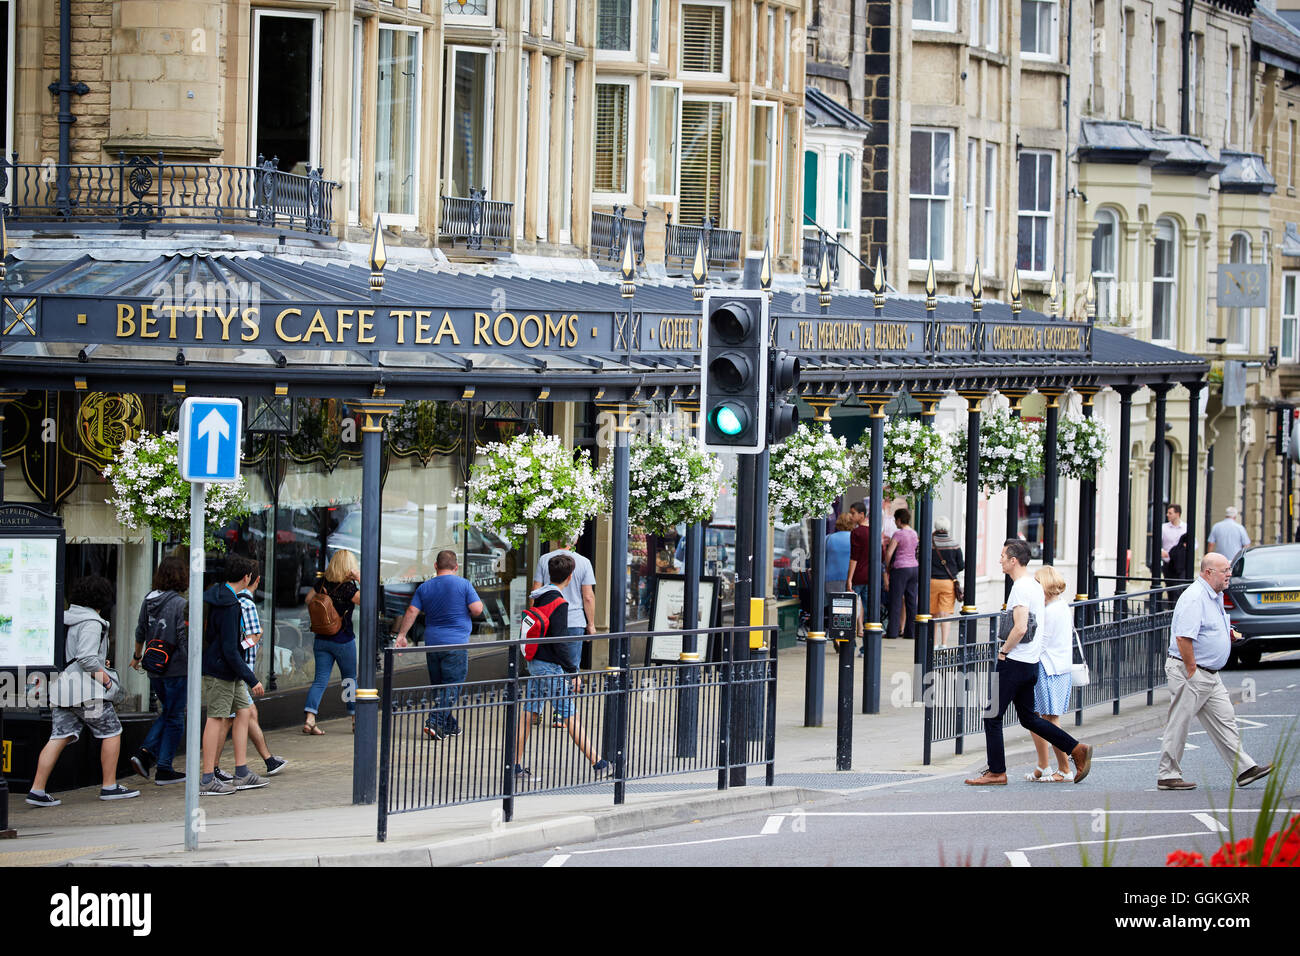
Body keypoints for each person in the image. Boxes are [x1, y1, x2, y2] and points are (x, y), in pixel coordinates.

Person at [964, 539, 1094, 786]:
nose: (1000, 559)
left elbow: (1022, 627)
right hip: (1031, 664)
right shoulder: (1034, 586)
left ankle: (997, 772)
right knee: (1030, 719)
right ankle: (1076, 749)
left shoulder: (1021, 588)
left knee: (992, 716)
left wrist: (1004, 651)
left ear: (1014, 560)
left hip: (1015, 662)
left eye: (1003, 556)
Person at [1156, 553, 1272, 791]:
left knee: (1225, 719)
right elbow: (1183, 637)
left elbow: (1206, 628)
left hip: (1209, 673)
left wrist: (1226, 635)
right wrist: (1191, 669)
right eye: (1225, 570)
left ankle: (1244, 769)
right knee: (1180, 723)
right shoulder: (1195, 598)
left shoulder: (1215, 595)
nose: (1229, 573)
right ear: (1209, 572)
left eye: (1229, 569)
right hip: (1192, 670)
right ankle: (1167, 775)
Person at [26, 576, 139, 806]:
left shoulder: (67, 618)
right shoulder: (92, 622)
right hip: (85, 691)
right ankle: (109, 786)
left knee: (59, 735)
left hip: (61, 688)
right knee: (112, 731)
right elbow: (87, 658)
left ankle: (37, 790)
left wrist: (98, 662)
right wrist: (106, 681)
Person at [513, 553, 612, 781]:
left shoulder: (540, 596)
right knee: (569, 715)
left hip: (535, 663)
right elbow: (559, 642)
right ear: (569, 577)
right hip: (549, 668)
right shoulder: (559, 603)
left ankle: (515, 767)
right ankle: (599, 764)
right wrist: (572, 671)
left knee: (528, 715)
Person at [393, 549, 484, 740]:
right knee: (452, 686)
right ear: (456, 567)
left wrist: (402, 635)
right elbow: (477, 609)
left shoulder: (424, 587)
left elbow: (411, 611)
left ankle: (449, 726)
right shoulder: (464, 584)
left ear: (436, 566)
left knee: (440, 687)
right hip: (456, 645)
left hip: (432, 644)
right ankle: (434, 721)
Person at [199, 556, 268, 795]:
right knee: (216, 718)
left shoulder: (217, 594)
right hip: (221, 670)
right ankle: (207, 778)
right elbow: (229, 648)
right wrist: (252, 678)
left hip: (224, 668)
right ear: (247, 577)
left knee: (244, 711)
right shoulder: (231, 605)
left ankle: (241, 772)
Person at [211, 570, 287, 778]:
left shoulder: (227, 600)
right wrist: (257, 637)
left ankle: (266, 760)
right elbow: (247, 641)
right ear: (255, 580)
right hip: (239, 670)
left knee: (245, 713)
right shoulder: (246, 604)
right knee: (229, 717)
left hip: (234, 670)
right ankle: (216, 769)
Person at [128, 554, 190, 785]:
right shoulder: (179, 604)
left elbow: (140, 630)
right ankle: (154, 761)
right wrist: (194, 665)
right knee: (174, 717)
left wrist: (136, 656)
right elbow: (182, 639)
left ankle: (156, 761)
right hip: (175, 668)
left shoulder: (148, 599)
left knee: (168, 712)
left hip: (154, 667)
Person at [1025, 566, 1075, 783]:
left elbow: (1040, 643)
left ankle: (1064, 769)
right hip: (1059, 667)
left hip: (1047, 668)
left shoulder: (1049, 612)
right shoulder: (1062, 606)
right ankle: (1044, 765)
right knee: (1038, 718)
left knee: (1048, 720)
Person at [303, 549, 360, 735]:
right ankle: (354, 719)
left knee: (320, 680)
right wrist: (359, 578)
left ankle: (310, 719)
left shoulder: (322, 583)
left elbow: (308, 600)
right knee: (349, 680)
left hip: (322, 638)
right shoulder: (348, 587)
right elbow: (367, 600)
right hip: (343, 639)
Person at [884, 507, 919, 640]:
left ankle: (892, 632)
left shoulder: (898, 534)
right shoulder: (914, 533)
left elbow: (889, 553)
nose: (895, 522)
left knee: (896, 600)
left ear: (899, 520)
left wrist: (887, 566)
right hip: (914, 568)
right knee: (911, 601)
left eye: (895, 520)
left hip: (900, 568)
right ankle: (911, 632)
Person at [930, 516, 964, 647]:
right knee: (945, 614)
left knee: (933, 614)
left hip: (931, 582)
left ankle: (933, 643)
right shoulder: (953, 543)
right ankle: (943, 644)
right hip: (948, 583)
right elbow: (960, 565)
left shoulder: (930, 542)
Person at [825, 512, 860, 639]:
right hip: (850, 577)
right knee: (850, 608)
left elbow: (821, 559)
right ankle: (848, 634)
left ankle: (836, 635)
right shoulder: (854, 537)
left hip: (831, 577)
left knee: (834, 608)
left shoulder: (828, 538)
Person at [845, 501, 871, 650]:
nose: (851, 516)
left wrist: (849, 578)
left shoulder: (857, 532)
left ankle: (850, 643)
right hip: (870, 577)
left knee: (849, 609)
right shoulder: (874, 531)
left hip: (858, 576)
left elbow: (854, 557)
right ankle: (866, 647)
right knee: (868, 611)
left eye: (853, 513)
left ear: (862, 514)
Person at [1161, 504, 1185, 577]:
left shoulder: (1186, 527)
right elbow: (1157, 543)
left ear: (1177, 514)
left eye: (1170, 513)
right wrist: (1161, 551)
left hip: (1181, 564)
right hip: (1168, 562)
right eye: (1167, 513)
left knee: (1180, 585)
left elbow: (1195, 544)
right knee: (1169, 585)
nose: (1167, 515)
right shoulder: (1163, 527)